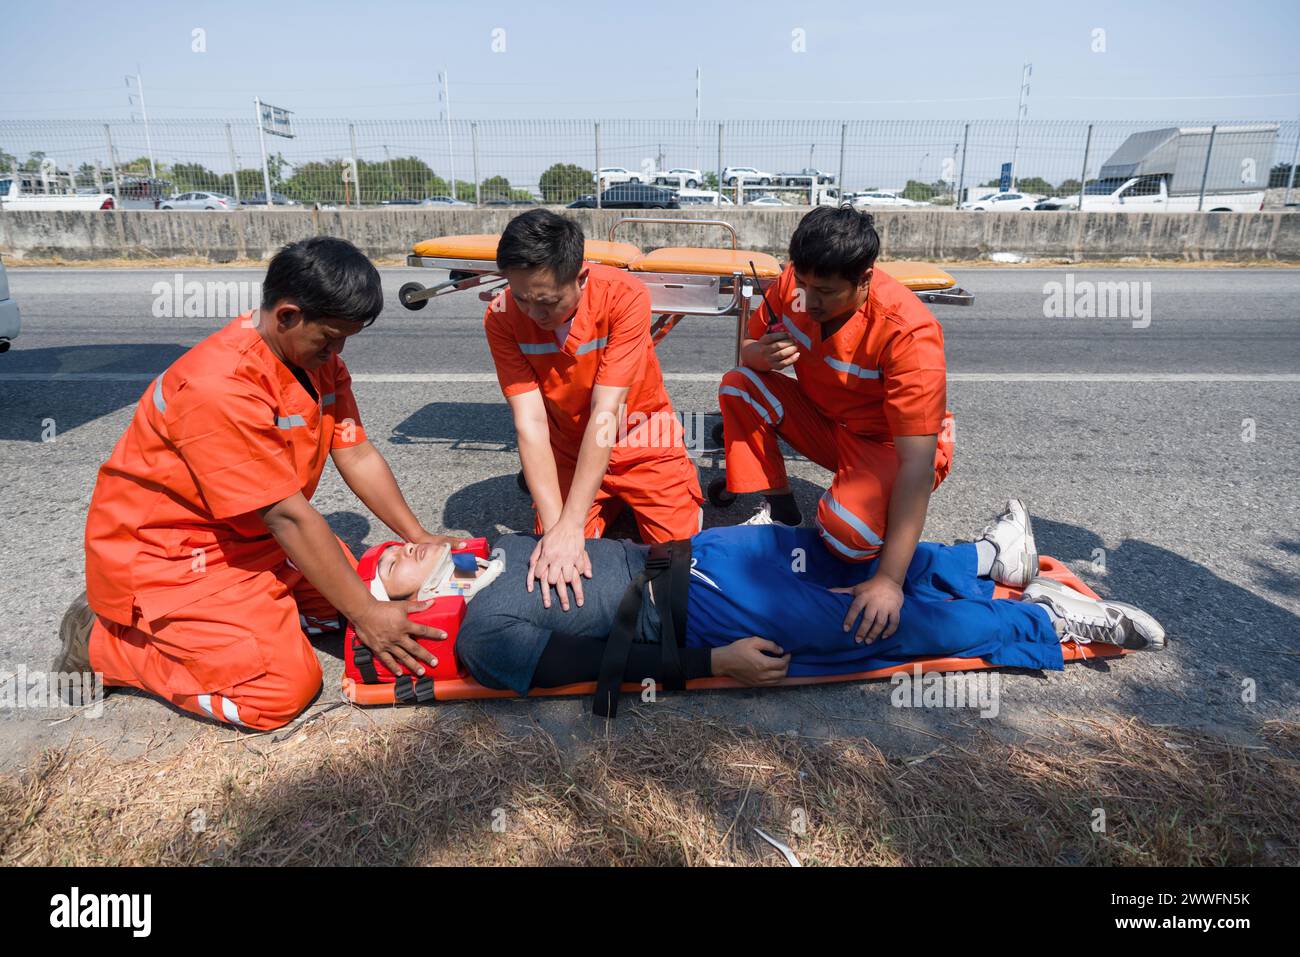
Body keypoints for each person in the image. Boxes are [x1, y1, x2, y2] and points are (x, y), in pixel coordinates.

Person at [56, 237, 464, 730]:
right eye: (330, 338)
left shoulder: (317, 364)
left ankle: (240, 628)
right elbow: (287, 515)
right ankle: (104, 644)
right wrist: (367, 615)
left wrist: (418, 536)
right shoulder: (219, 386)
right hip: (174, 556)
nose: (337, 353)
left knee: (360, 601)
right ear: (287, 315)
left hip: (250, 536)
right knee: (279, 691)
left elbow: (353, 450)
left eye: (345, 341)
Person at [362, 501, 1165, 713]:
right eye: (380, 569)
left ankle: (988, 559)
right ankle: (1046, 618)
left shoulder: (487, 552)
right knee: (873, 623)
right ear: (401, 612)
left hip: (701, 554)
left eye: (389, 546)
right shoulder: (483, 635)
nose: (391, 550)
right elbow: (598, 665)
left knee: (841, 551)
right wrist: (713, 664)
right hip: (697, 619)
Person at [717, 205, 954, 644]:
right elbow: (748, 350)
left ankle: (942, 553)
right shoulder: (797, 283)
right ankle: (779, 508)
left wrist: (888, 581)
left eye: (823, 291)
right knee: (738, 385)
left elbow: (916, 465)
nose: (808, 299)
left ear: (864, 278)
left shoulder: (909, 334)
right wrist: (758, 355)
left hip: (889, 448)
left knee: (849, 539)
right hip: (829, 423)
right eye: (802, 284)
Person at [484, 209, 704, 613]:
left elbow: (607, 412)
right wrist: (558, 528)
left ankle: (631, 503)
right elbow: (530, 423)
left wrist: (572, 524)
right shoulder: (500, 317)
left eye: (547, 301)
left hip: (642, 437)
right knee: (555, 566)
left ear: (580, 277)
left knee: (681, 562)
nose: (534, 315)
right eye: (521, 298)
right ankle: (601, 511)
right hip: (568, 446)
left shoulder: (625, 296)